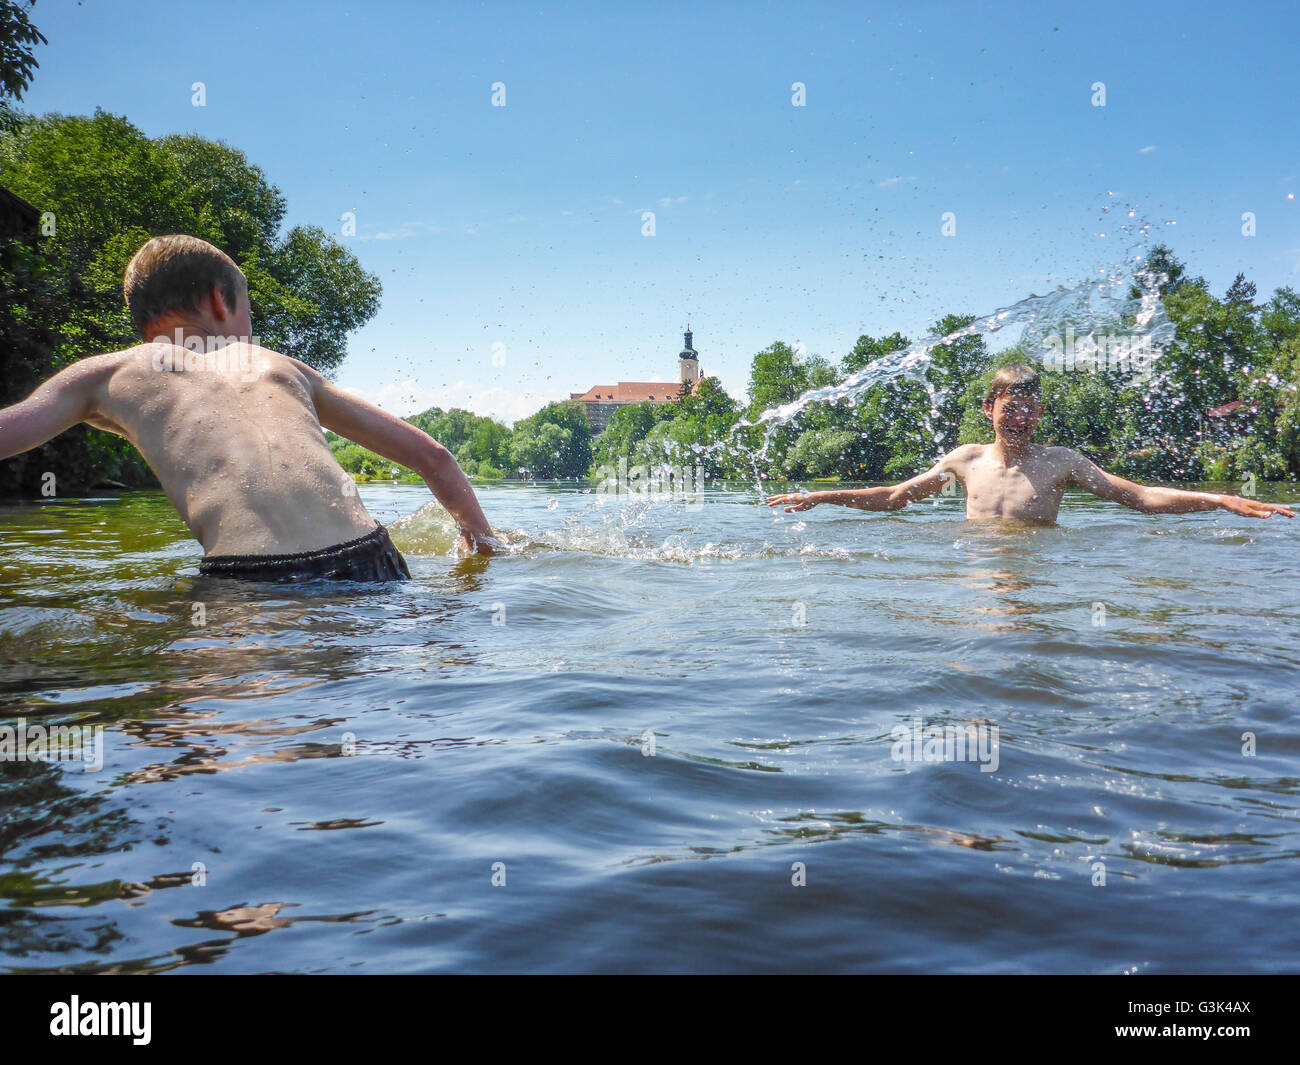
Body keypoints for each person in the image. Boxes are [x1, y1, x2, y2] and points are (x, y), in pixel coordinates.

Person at [0, 234, 499, 581]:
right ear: (221, 301)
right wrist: (482, 543)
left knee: (215, 725)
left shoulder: (108, 375)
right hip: (371, 561)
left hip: (249, 579)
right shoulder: (281, 366)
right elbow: (433, 457)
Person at [766, 364, 1295, 523]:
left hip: (1034, 577)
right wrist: (821, 496)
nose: (1018, 417)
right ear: (988, 410)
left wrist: (1219, 499)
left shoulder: (1061, 462)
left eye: (1028, 409)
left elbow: (1137, 496)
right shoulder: (966, 460)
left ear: (1040, 414)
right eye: (1008, 408)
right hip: (972, 578)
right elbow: (895, 496)